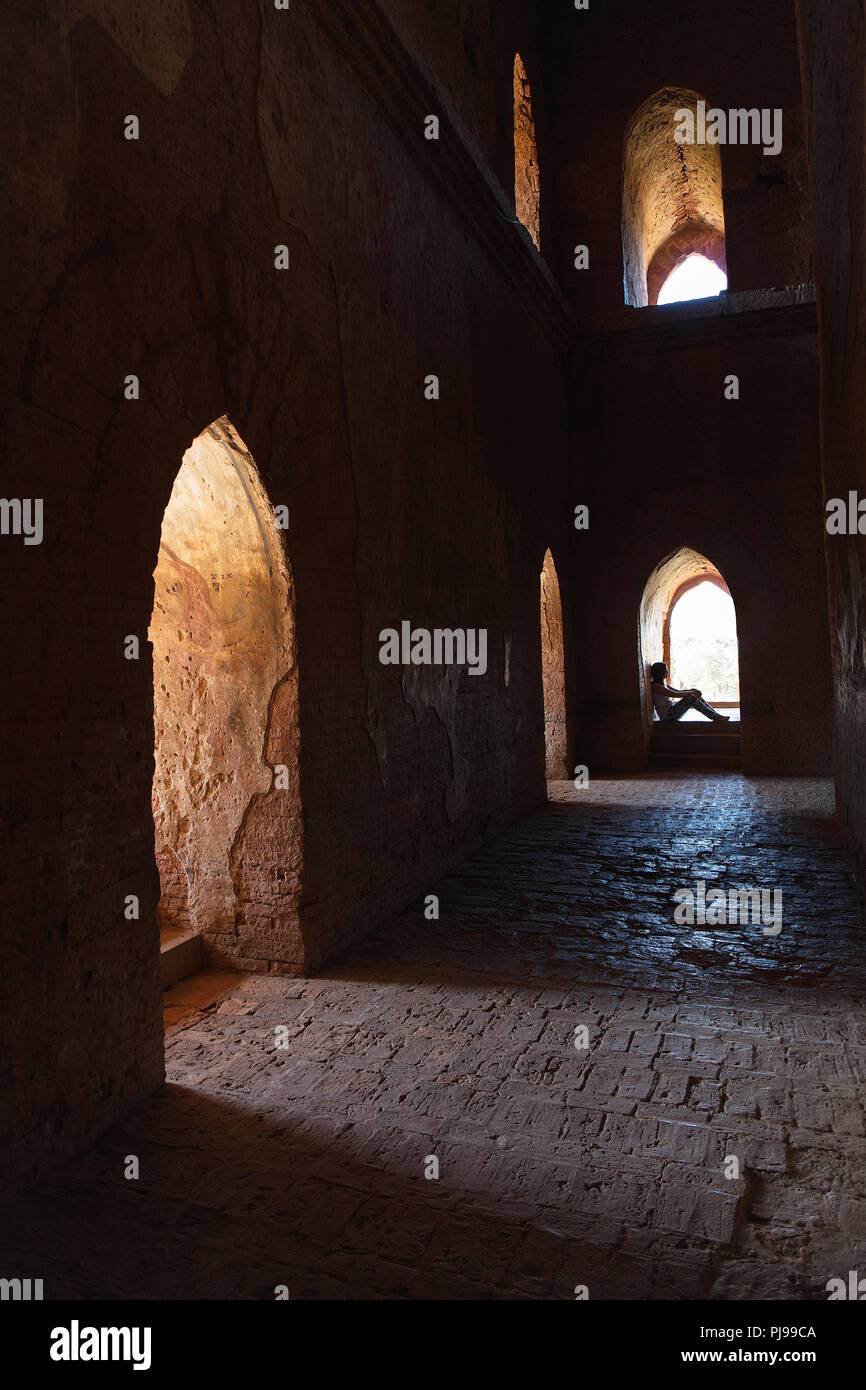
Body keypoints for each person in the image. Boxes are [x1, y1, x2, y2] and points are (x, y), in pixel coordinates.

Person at [650, 661, 730, 722]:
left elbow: (678, 691)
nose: (667, 672)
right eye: (665, 670)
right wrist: (692, 692)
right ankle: (715, 716)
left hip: (672, 711)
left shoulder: (663, 683)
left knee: (693, 696)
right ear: (660, 672)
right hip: (667, 717)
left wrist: (692, 690)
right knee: (690, 698)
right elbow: (676, 694)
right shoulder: (656, 686)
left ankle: (715, 715)